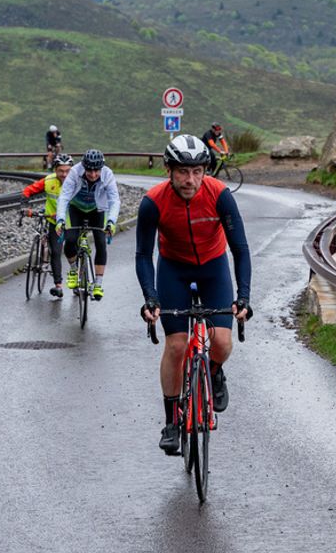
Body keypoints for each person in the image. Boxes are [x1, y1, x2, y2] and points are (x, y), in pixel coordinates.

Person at [136, 134, 252, 456]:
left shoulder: (219, 196)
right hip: (173, 268)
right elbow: (144, 255)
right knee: (176, 345)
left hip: (213, 267)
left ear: (205, 170)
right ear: (169, 170)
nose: (191, 180)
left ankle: (213, 372)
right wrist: (151, 298)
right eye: (183, 172)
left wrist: (243, 297)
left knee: (222, 342)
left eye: (198, 171)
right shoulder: (153, 202)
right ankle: (172, 422)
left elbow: (240, 249)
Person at [55, 149, 119, 301]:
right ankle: (73, 270)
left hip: (97, 209)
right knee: (70, 240)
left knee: (101, 243)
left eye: (96, 170)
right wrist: (60, 220)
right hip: (76, 208)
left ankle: (98, 283)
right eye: (89, 170)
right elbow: (64, 197)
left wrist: (111, 222)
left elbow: (114, 200)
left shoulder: (108, 174)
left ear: (101, 168)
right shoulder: (75, 172)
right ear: (84, 166)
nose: (93, 174)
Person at [19, 154, 74, 298]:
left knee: (73, 252)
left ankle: (78, 281)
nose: (64, 174)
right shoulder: (48, 181)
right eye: (61, 170)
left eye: (67, 171)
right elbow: (28, 190)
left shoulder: (78, 183)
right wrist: (25, 205)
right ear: (55, 170)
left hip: (73, 223)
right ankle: (58, 286)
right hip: (54, 223)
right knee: (55, 252)